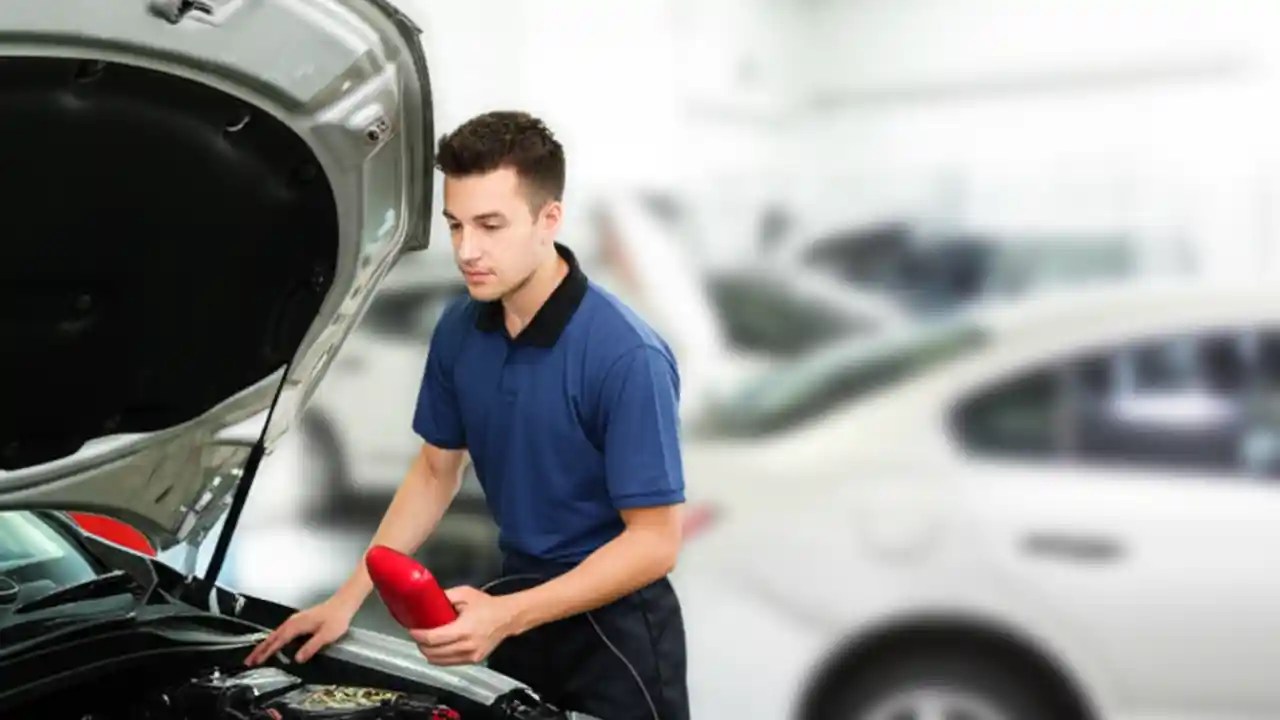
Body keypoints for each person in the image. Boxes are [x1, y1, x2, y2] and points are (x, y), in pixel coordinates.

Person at [245, 110, 690, 720]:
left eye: (490, 225)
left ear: (549, 219)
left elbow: (655, 543)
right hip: (515, 606)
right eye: (455, 225)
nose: (467, 250)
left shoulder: (625, 354)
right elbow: (434, 473)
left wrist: (507, 614)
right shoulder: (458, 329)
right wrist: (346, 600)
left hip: (617, 633)